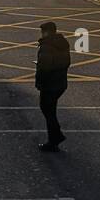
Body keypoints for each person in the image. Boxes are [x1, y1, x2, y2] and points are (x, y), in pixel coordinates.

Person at [34, 22, 71, 151]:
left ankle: (54, 139)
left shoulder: (46, 47)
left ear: (47, 32)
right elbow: (66, 62)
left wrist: (39, 83)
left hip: (49, 84)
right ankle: (56, 137)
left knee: (47, 110)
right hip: (60, 82)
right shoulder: (62, 43)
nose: (41, 34)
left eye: (43, 32)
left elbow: (44, 68)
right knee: (50, 110)